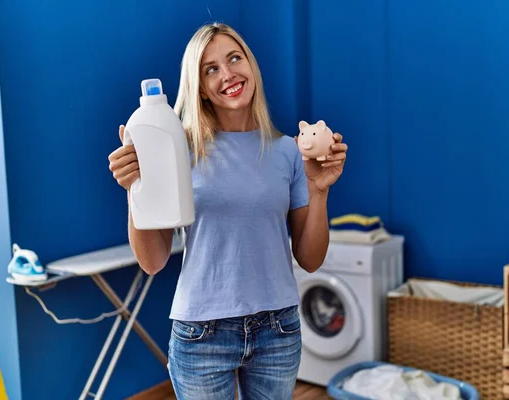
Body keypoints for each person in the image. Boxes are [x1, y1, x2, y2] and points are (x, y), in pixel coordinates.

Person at [108, 22, 348, 400]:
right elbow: (152, 261)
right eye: (211, 69)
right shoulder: (178, 150)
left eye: (234, 58)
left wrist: (319, 192)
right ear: (199, 87)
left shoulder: (289, 152)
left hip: (278, 329)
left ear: (250, 64)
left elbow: (311, 259)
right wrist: (134, 188)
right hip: (202, 333)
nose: (228, 74)